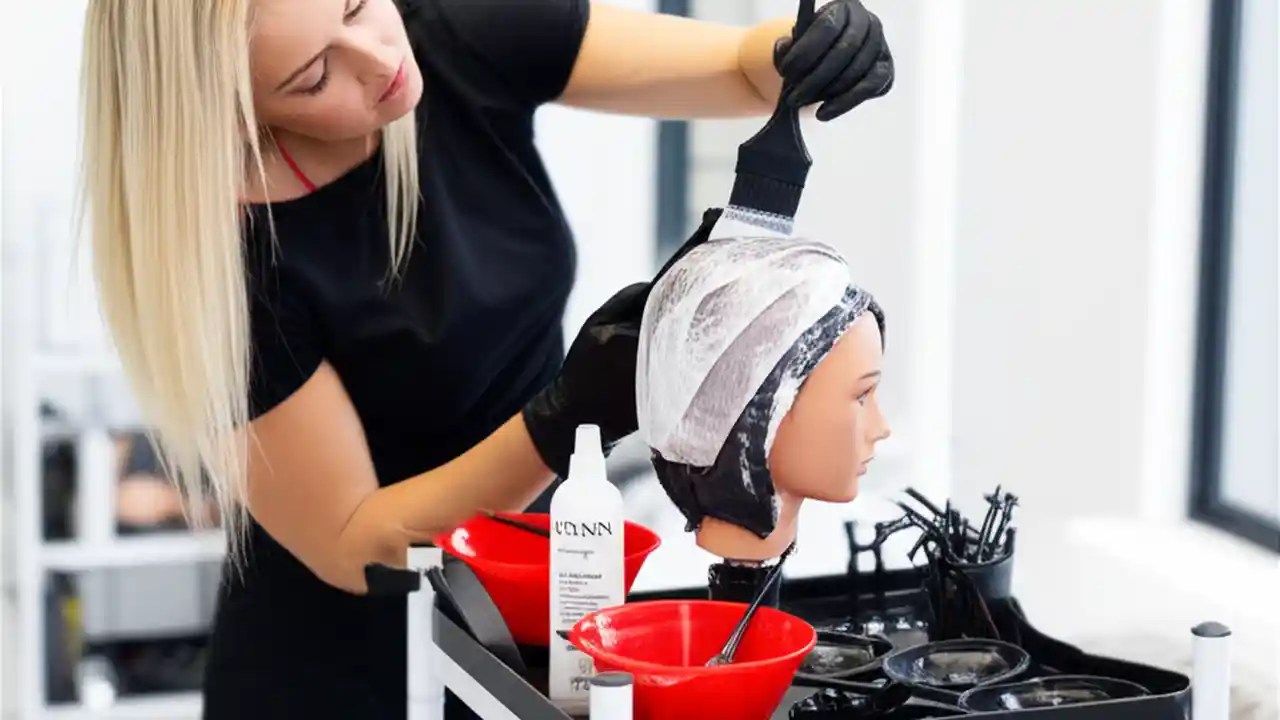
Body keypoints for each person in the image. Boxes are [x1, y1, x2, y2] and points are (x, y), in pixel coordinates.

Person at [78, 0, 895, 717]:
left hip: (532, 625)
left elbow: (740, 70)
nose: (380, 59)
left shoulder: (452, 26)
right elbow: (358, 542)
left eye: (356, 4)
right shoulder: (227, 254)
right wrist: (559, 421)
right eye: (315, 75)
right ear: (234, 115)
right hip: (342, 662)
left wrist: (807, 52)